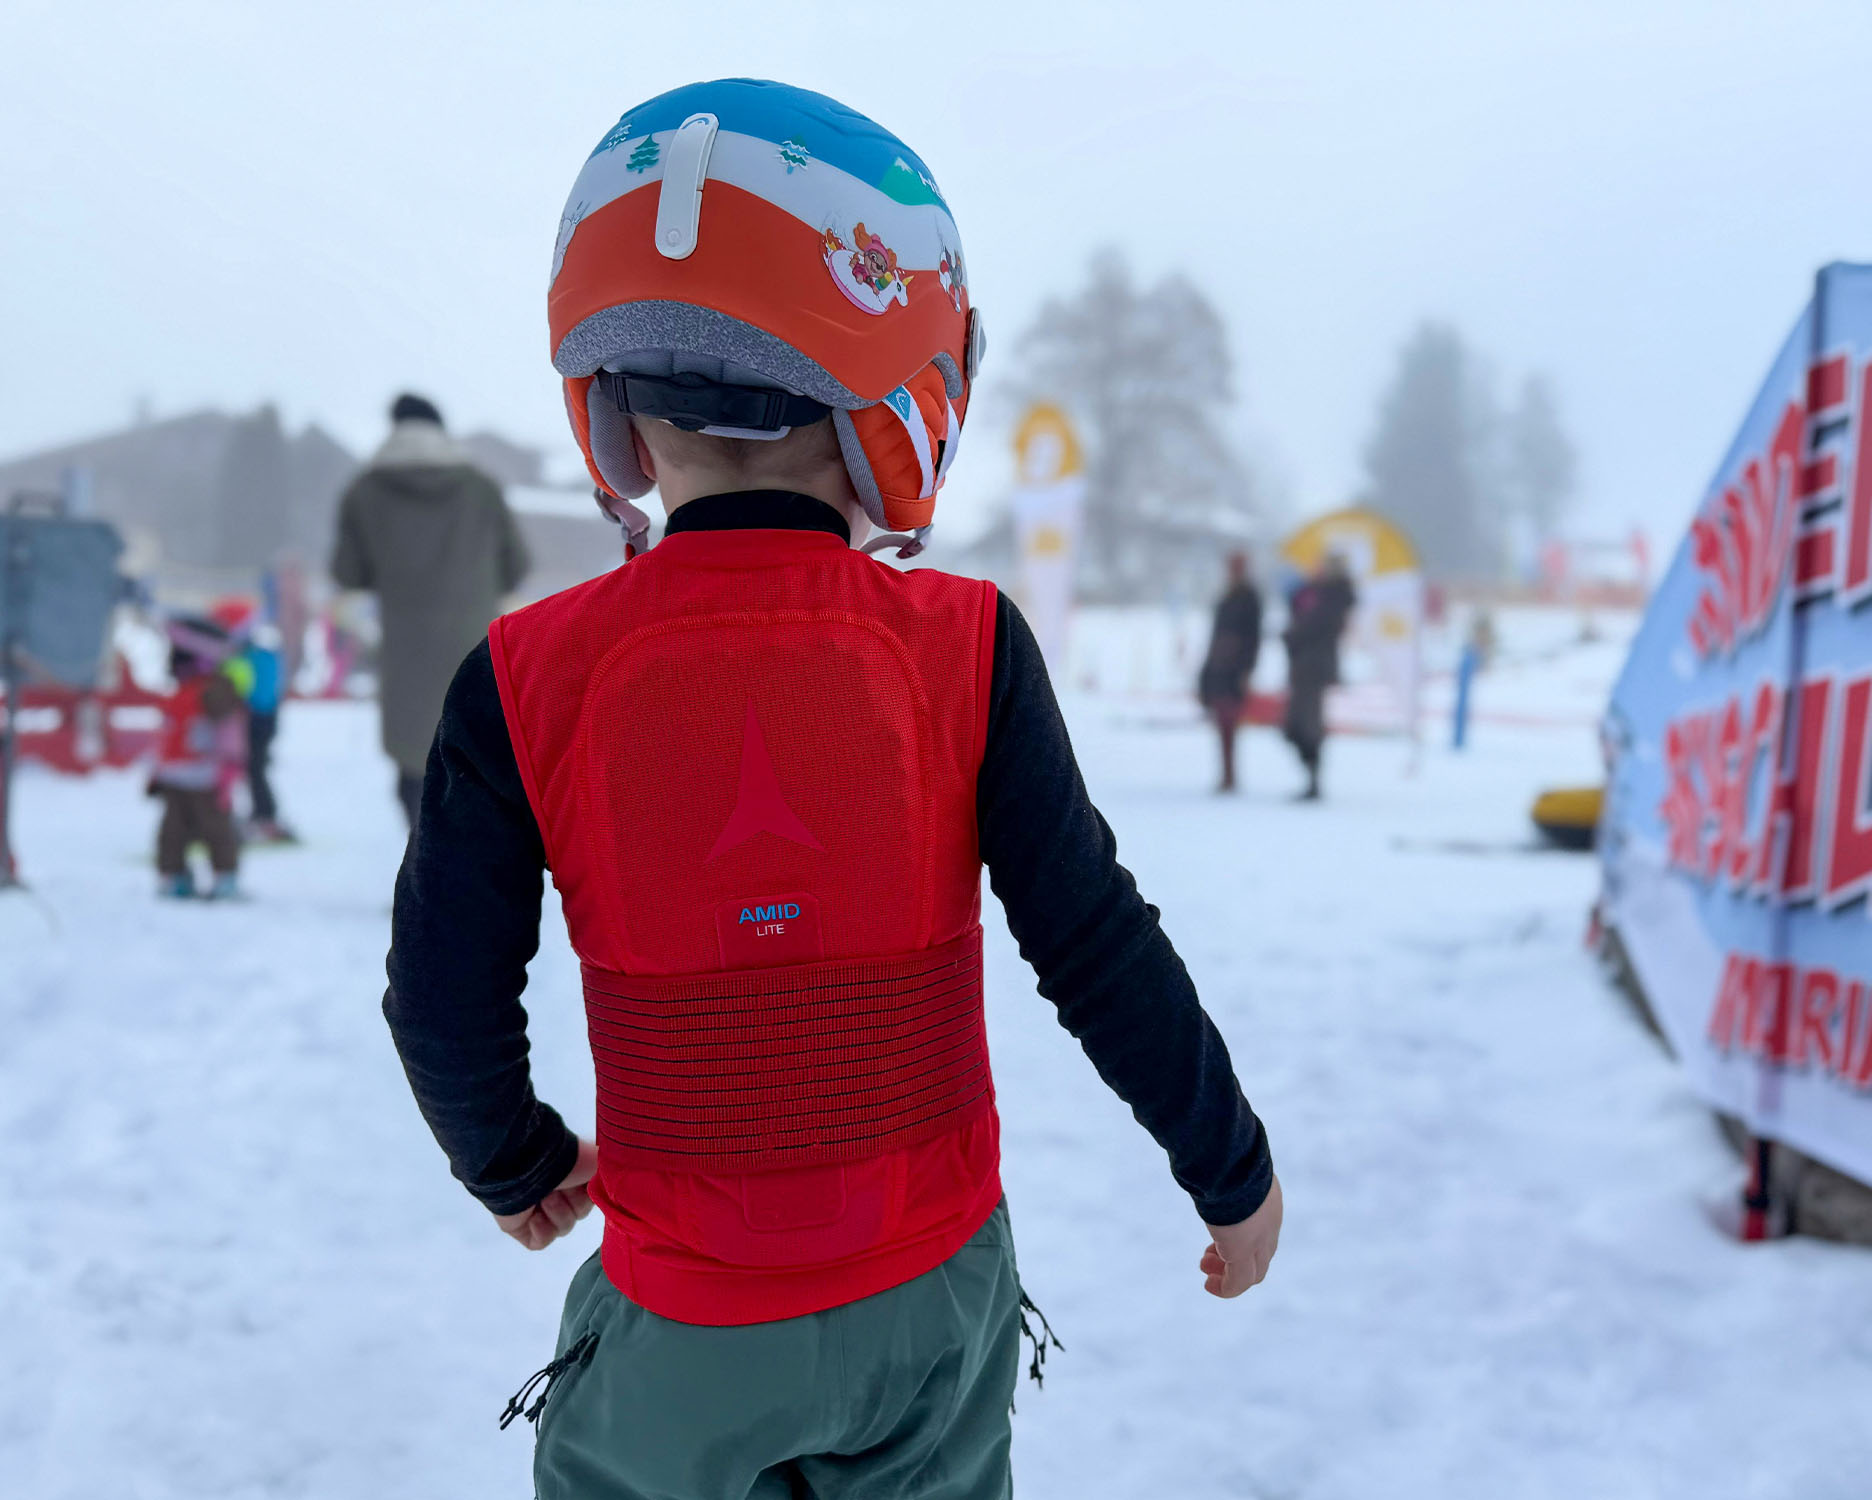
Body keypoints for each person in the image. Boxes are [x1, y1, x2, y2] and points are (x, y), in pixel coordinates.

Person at [381, 80, 1280, 1500]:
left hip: (681, 1318)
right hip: (927, 1304)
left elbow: (438, 987)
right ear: (908, 383)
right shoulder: (965, 648)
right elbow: (1093, 938)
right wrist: (1228, 1164)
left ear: (611, 401)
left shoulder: (524, 673)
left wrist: (511, 1157)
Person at [332, 392, 530, 827]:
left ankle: (426, 881)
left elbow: (347, 573)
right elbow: (516, 568)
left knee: (414, 769)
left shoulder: (365, 491)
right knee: (479, 766)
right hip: (476, 651)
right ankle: (476, 886)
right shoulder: (481, 487)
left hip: (406, 656)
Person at [149, 613, 247, 899]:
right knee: (172, 832)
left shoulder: (214, 689)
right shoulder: (178, 692)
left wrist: (230, 766)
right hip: (175, 775)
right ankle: (174, 874)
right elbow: (168, 734)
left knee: (215, 828)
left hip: (207, 774)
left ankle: (225, 875)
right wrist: (156, 771)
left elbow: (229, 726)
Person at [213, 596, 296, 844]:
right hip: (263, 719)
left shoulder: (246, 657)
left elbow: (249, 692)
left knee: (252, 768)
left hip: (254, 720)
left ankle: (264, 816)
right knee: (253, 768)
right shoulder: (260, 654)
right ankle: (260, 815)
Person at [1280, 552, 1357, 801]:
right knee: (1295, 725)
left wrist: (1293, 636)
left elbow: (1315, 625)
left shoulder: (1334, 597)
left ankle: (1314, 781)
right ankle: (1311, 777)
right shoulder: (1317, 593)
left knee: (1308, 725)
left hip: (1315, 667)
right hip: (1304, 666)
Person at [1197, 551, 1263, 792]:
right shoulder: (1226, 595)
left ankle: (1230, 776)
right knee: (1221, 722)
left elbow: (1254, 637)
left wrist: (1247, 669)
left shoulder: (1250, 597)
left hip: (1234, 669)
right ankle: (1226, 774)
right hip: (1218, 666)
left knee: (1229, 721)